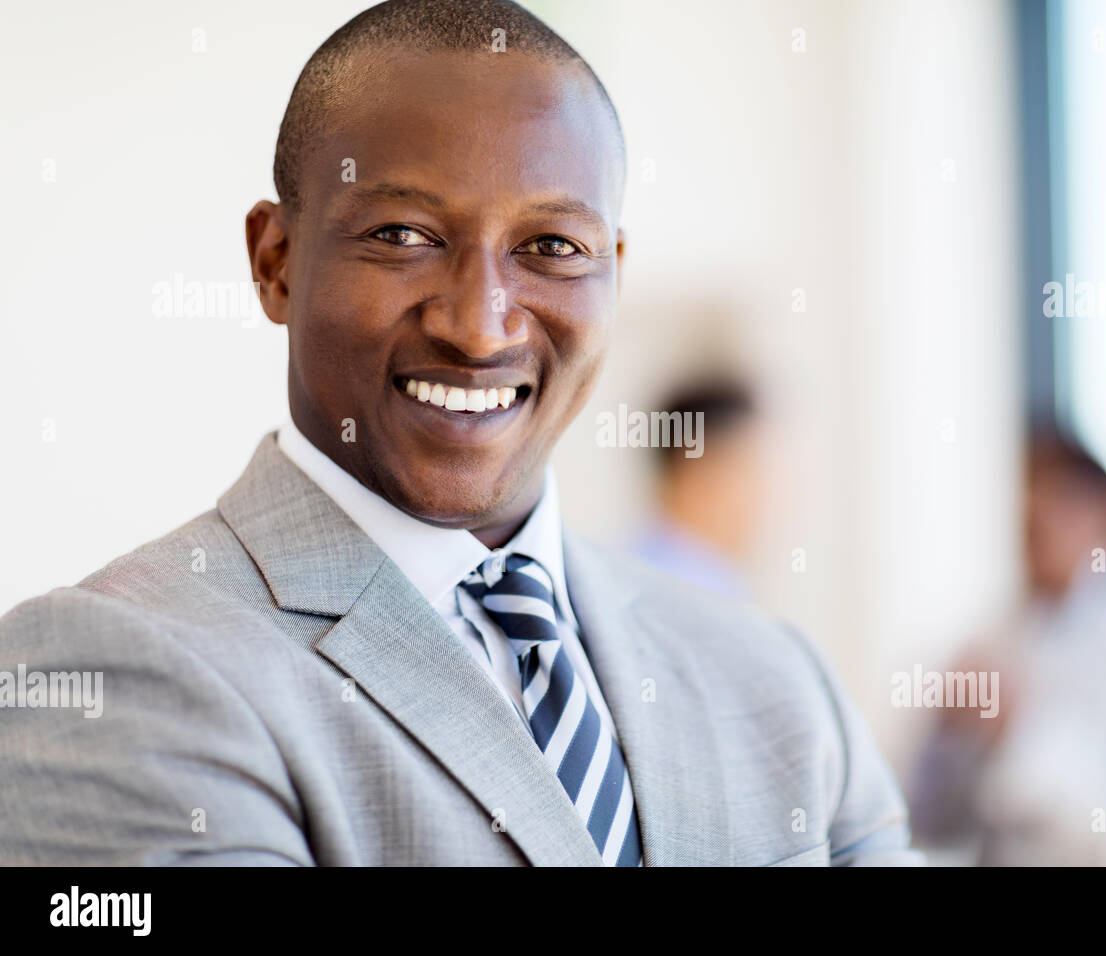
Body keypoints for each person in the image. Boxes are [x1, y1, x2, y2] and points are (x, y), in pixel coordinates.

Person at [0, 0, 919, 866]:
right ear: (276, 262)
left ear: (615, 273)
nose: (480, 326)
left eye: (551, 247)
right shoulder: (110, 669)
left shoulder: (777, 684)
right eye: (403, 234)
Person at [909, 433, 1106, 865]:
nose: (1025, 537)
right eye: (1021, 520)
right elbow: (923, 821)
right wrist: (944, 736)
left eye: (1041, 519)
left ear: (1098, 516)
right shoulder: (990, 638)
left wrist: (1018, 730)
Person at [628, 378, 762, 601]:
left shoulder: (722, 579)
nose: (763, 499)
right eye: (749, 471)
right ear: (697, 470)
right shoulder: (689, 588)